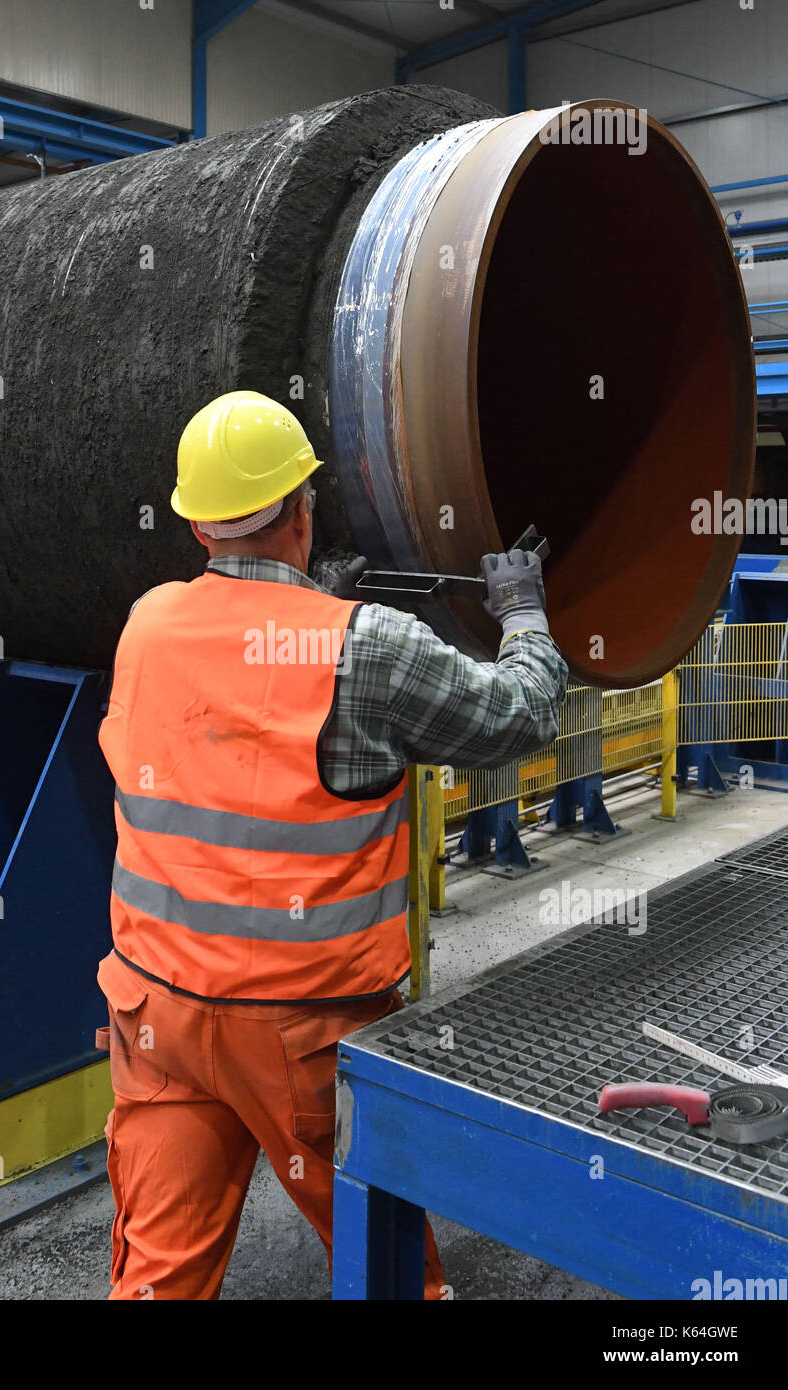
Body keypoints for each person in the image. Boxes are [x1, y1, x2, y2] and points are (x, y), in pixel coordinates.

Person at [96, 389, 568, 1300]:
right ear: (304, 509)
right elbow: (521, 714)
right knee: (379, 1255)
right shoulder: (369, 647)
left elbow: (218, 731)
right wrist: (522, 615)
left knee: (157, 1275)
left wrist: (310, 614)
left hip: (156, 1015)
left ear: (198, 526)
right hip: (299, 1032)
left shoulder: (147, 623)